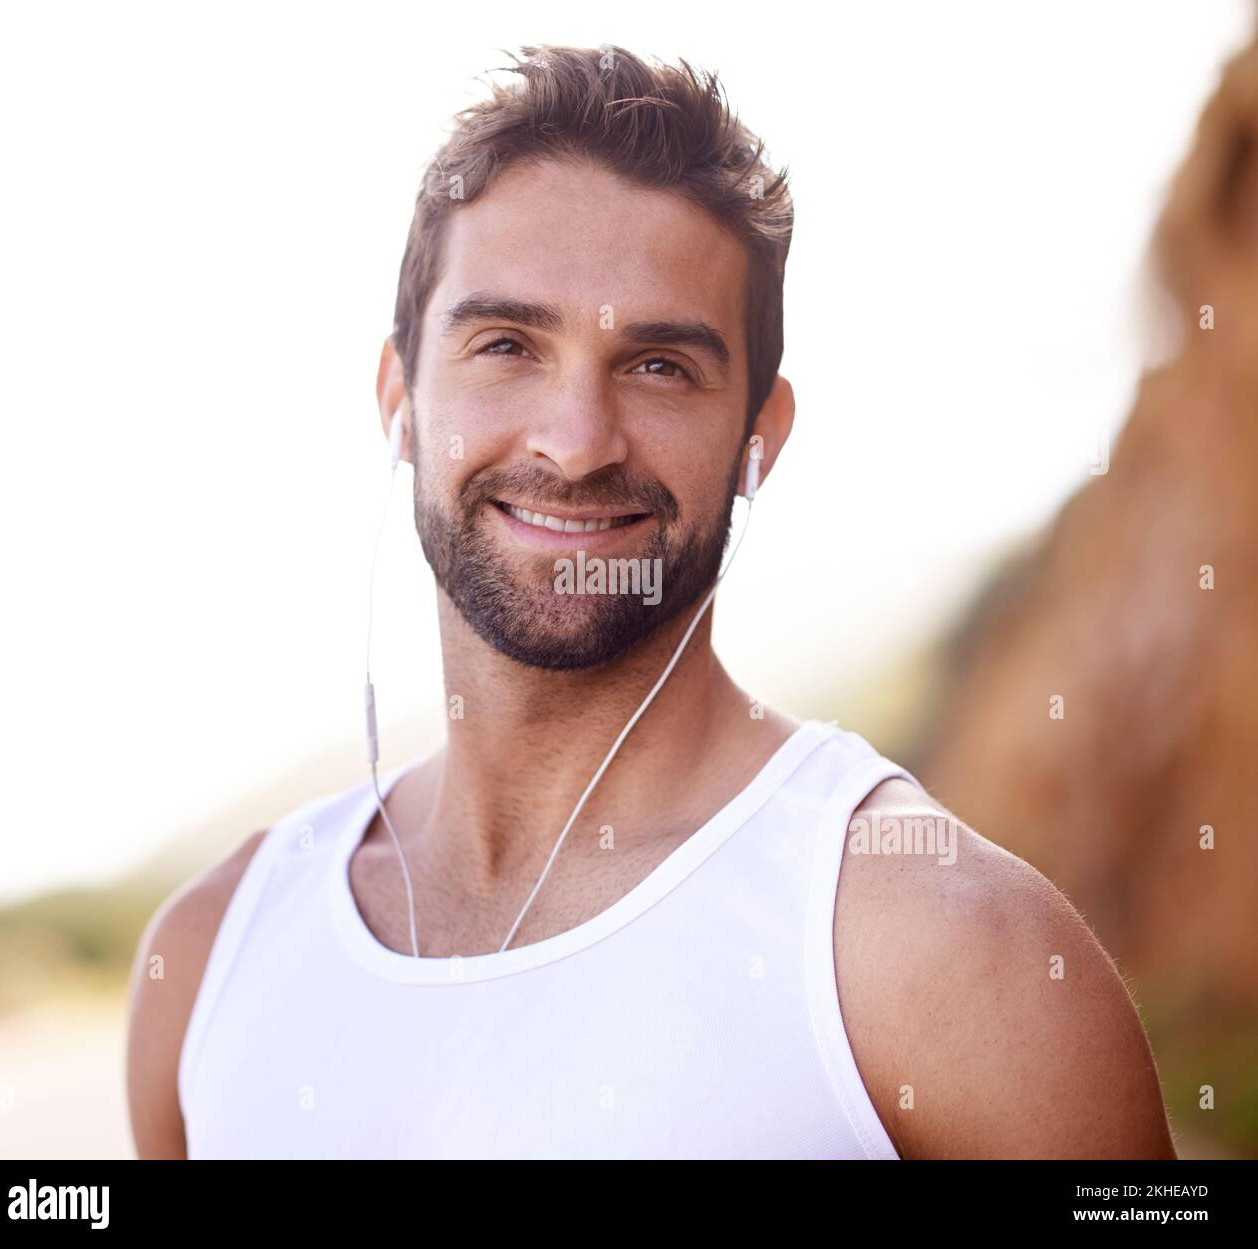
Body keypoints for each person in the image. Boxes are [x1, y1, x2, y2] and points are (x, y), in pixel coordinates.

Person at [126, 43, 1177, 1160]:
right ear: (398, 398)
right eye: (505, 344)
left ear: (756, 439)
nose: (576, 443)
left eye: (659, 365)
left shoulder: (944, 951)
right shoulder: (210, 956)